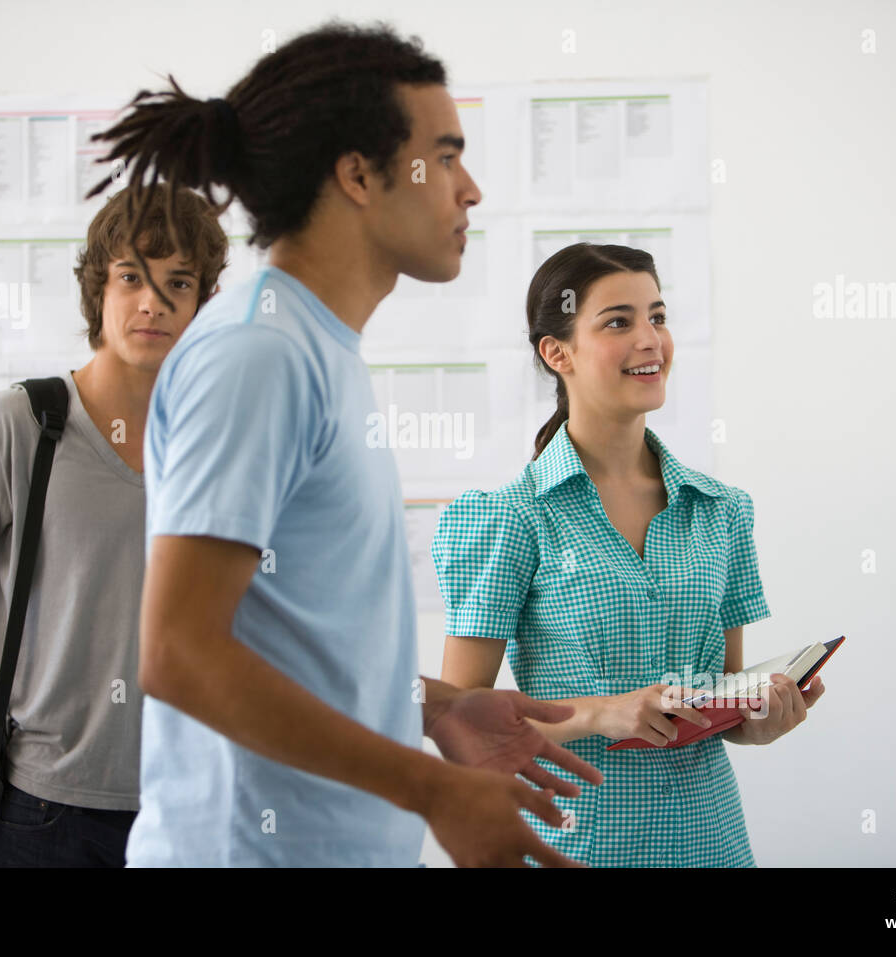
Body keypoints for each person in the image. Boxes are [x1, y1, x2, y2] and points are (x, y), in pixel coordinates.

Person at [85, 21, 602, 867]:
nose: (468, 188)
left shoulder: (316, 349)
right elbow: (179, 652)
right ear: (358, 174)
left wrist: (435, 709)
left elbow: (302, 637)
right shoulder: (260, 354)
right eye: (445, 155)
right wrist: (432, 789)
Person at [432, 243, 826, 866]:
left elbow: (719, 694)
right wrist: (601, 714)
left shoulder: (721, 510)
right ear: (556, 353)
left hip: (710, 842)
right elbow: (459, 721)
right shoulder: (508, 517)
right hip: (579, 843)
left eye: (658, 317)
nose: (651, 339)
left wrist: (759, 719)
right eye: (619, 321)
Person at [0, 184, 228, 867]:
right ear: (99, 289)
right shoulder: (19, 427)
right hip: (38, 815)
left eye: (177, 281)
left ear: (203, 303)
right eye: (132, 277)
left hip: (188, 813)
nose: (152, 301)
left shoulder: (223, 447)